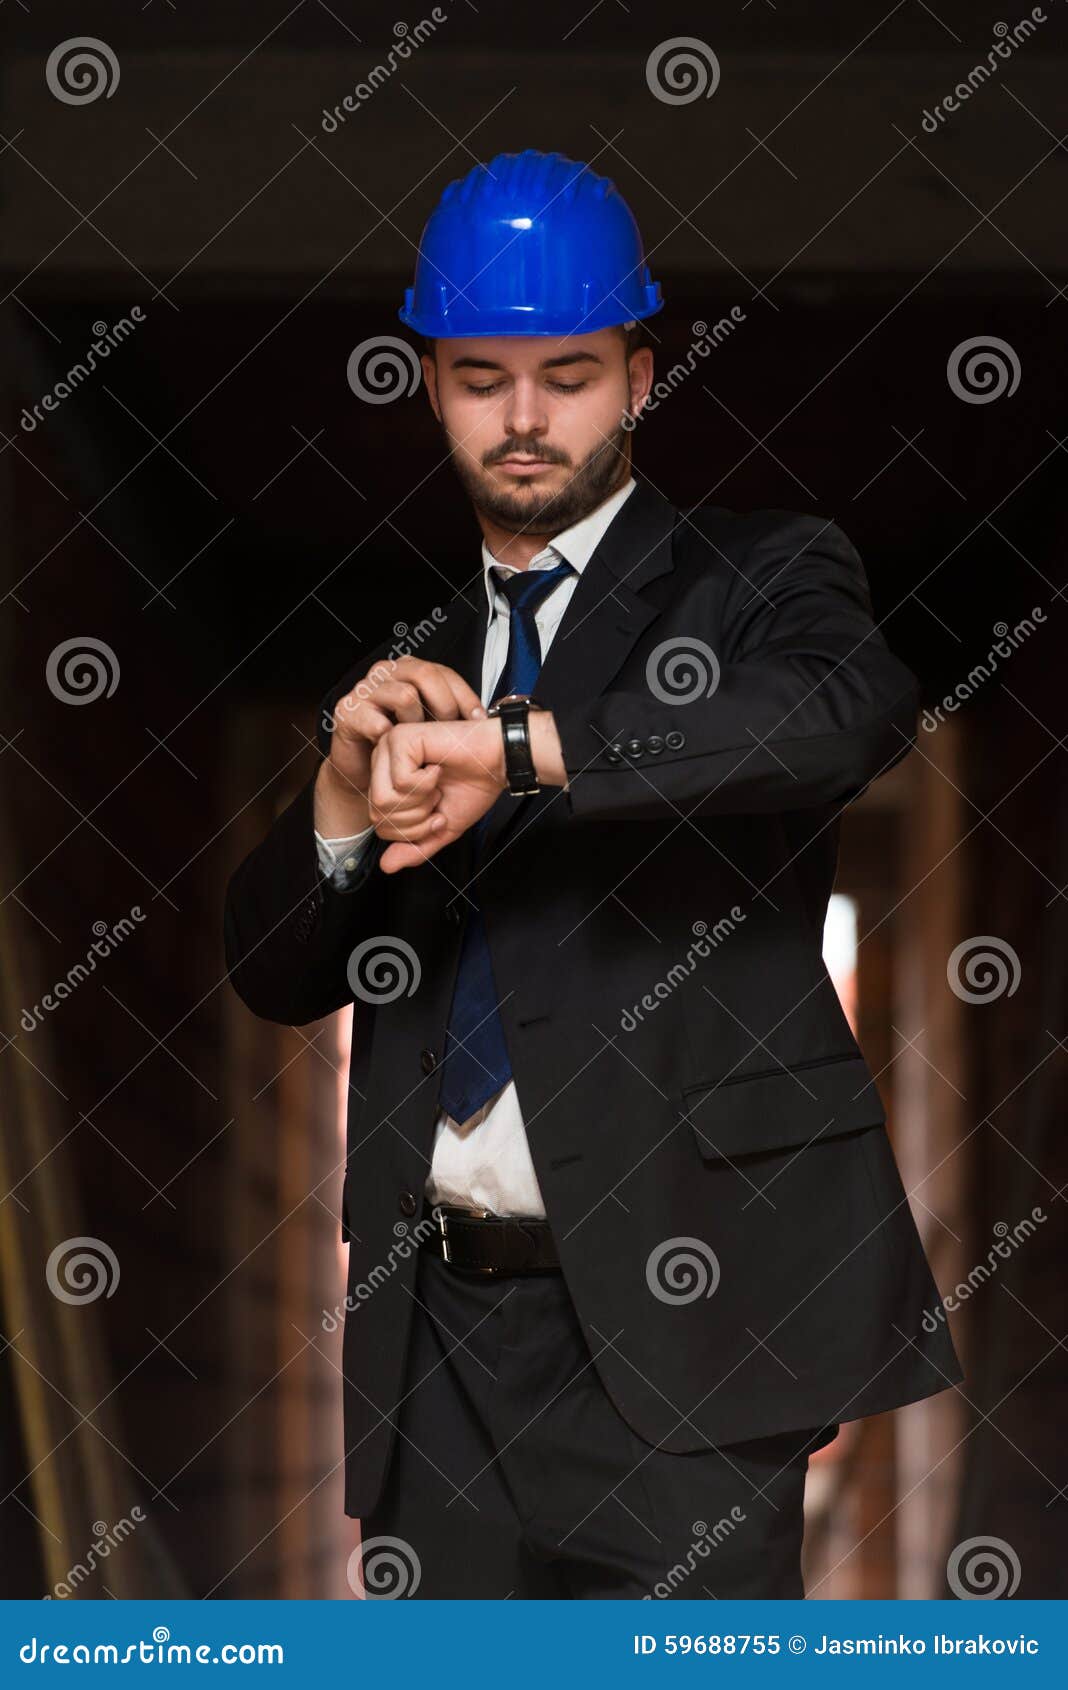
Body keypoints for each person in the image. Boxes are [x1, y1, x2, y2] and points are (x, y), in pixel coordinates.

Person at [224, 148, 963, 1599]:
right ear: (431, 384)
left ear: (639, 376)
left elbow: (837, 713)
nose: (522, 418)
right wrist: (332, 803)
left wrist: (528, 745)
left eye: (566, 373)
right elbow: (275, 972)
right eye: (483, 376)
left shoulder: (755, 580)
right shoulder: (409, 648)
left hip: (687, 1338)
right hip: (436, 1352)